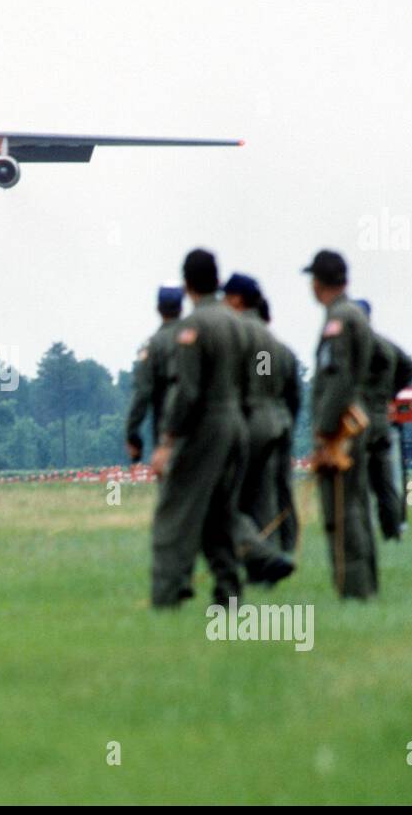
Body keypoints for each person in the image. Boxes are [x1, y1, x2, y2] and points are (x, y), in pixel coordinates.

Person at [148, 249, 249, 607]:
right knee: (219, 513)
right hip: (238, 423)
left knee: (173, 514)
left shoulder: (193, 327)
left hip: (206, 427)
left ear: (187, 282)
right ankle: (229, 592)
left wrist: (167, 441)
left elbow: (187, 391)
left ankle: (168, 593)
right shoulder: (239, 322)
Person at [303, 249, 378, 599]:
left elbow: (339, 379)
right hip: (353, 422)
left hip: (341, 429)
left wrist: (324, 428)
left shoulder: (338, 321)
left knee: (342, 510)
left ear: (318, 283)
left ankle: (354, 590)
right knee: (356, 507)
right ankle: (364, 588)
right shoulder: (353, 316)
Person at [221, 273, 295, 585]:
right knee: (268, 496)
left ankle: (256, 558)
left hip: (248, 422)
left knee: (229, 498)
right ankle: (270, 561)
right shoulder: (277, 345)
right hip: (279, 423)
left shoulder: (237, 334)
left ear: (237, 298)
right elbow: (292, 394)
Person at [355, 300, 412, 540]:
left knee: (354, 482)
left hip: (355, 422)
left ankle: (359, 534)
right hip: (381, 419)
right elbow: (408, 367)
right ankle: (393, 533)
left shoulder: (349, 346)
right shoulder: (384, 344)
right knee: (385, 482)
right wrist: (390, 393)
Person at [259, 296, 301, 554]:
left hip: (259, 426)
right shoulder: (285, 352)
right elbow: (295, 395)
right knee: (283, 486)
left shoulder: (258, 351)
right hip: (282, 424)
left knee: (260, 489)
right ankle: (289, 542)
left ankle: (265, 543)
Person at [125, 286, 183, 464]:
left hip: (167, 428)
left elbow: (142, 393)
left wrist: (132, 432)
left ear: (158, 308)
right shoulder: (198, 337)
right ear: (181, 308)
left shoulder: (153, 346)